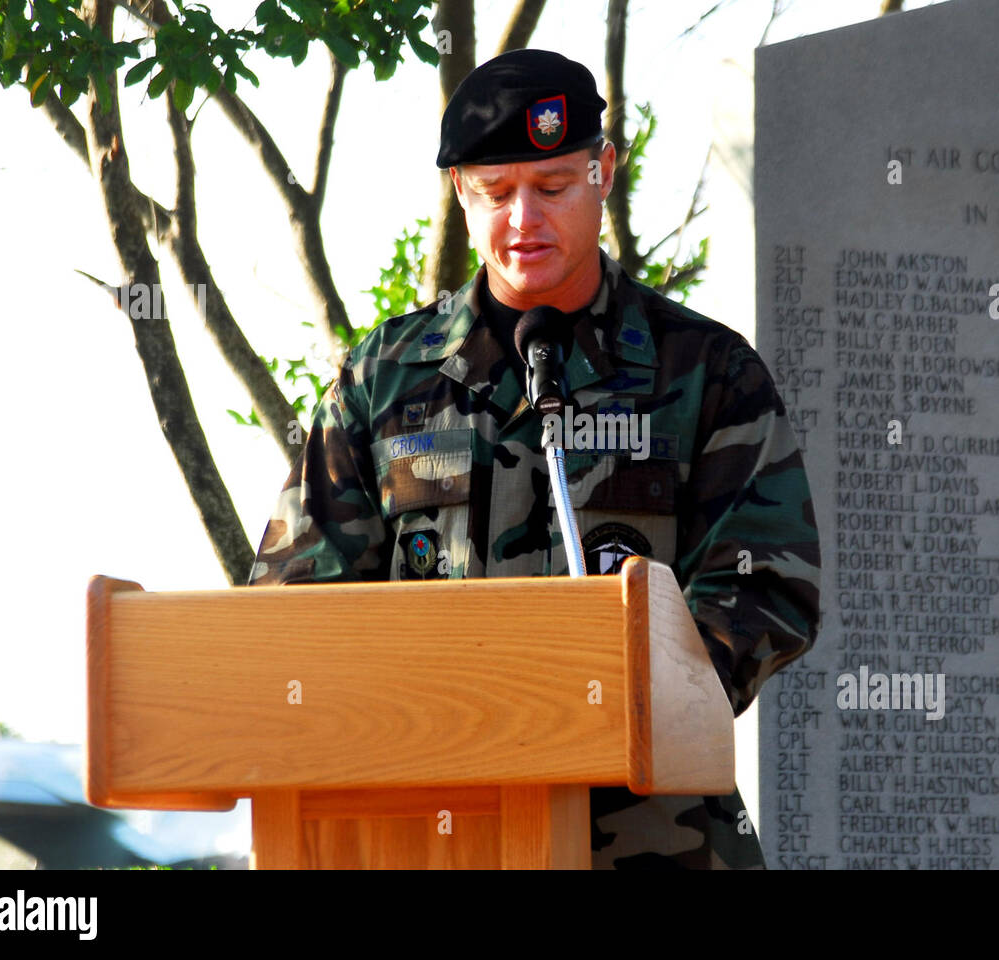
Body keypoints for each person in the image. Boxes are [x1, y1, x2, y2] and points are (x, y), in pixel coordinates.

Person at [248, 48, 821, 869]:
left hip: (654, 839)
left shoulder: (707, 371)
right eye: (495, 192)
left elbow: (770, 584)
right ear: (459, 194)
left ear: (603, 172)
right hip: (428, 830)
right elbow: (295, 605)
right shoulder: (382, 380)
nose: (523, 220)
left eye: (552, 187)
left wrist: (602, 706)